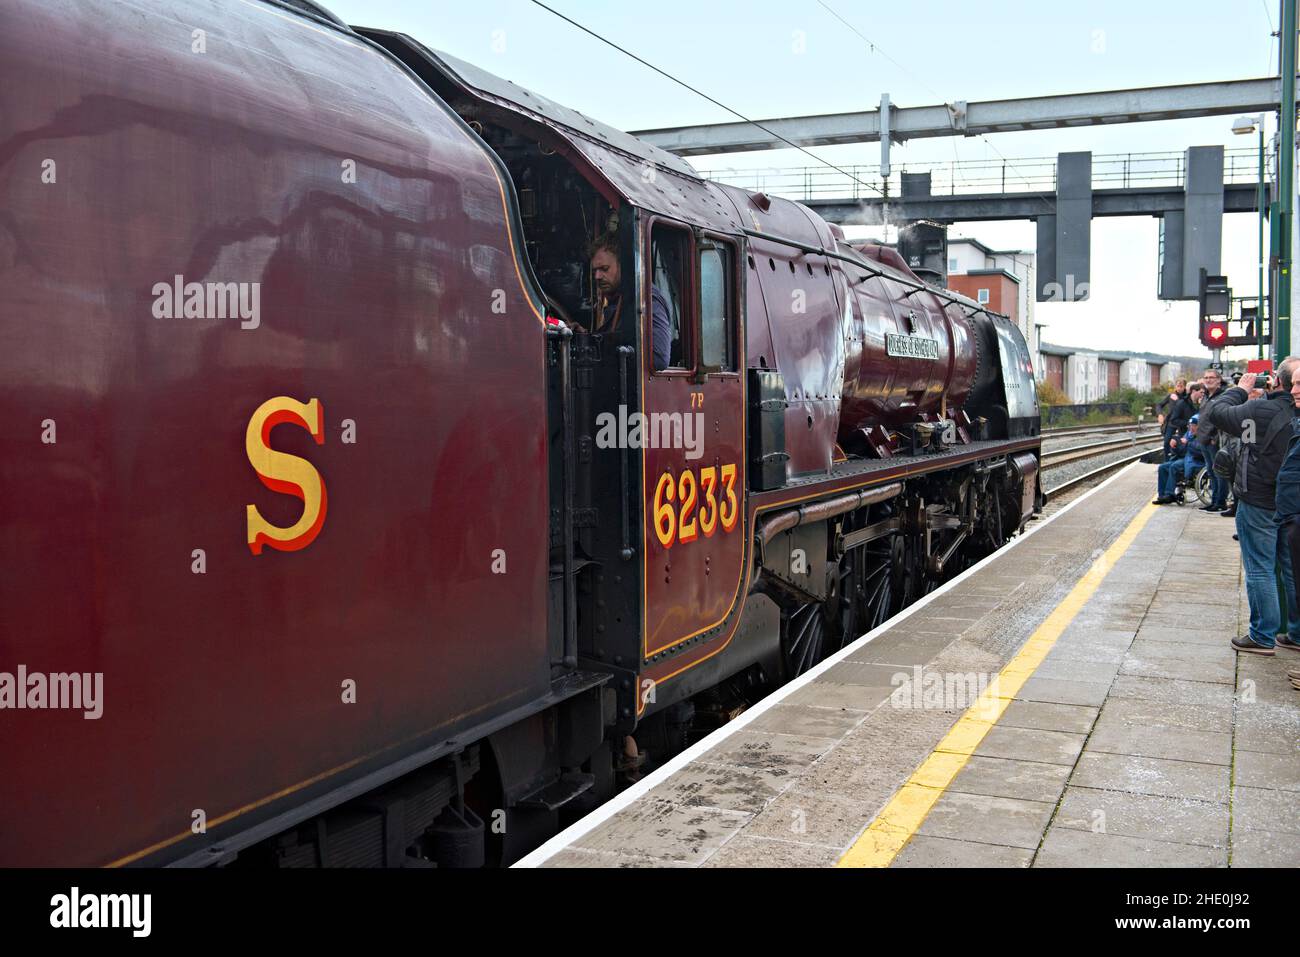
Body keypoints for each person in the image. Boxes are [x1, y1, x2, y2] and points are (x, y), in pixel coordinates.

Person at [1204, 362, 1300, 655]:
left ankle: (1262, 634)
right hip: (1290, 503)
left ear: (1275, 382)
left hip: (1258, 500)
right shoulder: (1293, 413)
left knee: (1260, 568)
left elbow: (1216, 412)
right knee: (1292, 568)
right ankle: (1296, 633)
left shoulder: (1260, 410)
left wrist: (1240, 389)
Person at [585, 235, 672, 372]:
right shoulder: (617, 299)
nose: (597, 276)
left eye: (604, 269)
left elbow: (659, 357)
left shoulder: (646, 299)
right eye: (595, 271)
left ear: (624, 265)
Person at [1197, 368, 1231, 511]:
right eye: (1206, 378)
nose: (1208, 380)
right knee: (1211, 472)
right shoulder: (1205, 396)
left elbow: (1223, 419)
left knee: (1219, 472)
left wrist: (1215, 438)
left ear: (1218, 380)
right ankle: (1214, 500)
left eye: (1211, 377)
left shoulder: (1223, 396)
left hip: (1213, 441)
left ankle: (1220, 502)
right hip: (1203, 440)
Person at [1152, 420, 1194, 505]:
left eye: (1193, 425)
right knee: (1162, 467)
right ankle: (1162, 496)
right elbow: (1181, 450)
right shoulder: (1188, 434)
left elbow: (1197, 450)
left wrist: (1188, 443)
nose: (1191, 427)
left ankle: (1169, 494)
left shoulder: (1200, 436)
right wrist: (1174, 446)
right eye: (1190, 425)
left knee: (1174, 466)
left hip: (1192, 459)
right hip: (1183, 457)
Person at [1157, 379, 1193, 460]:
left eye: (1181, 386)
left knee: (1182, 442)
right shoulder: (1171, 396)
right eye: (1177, 386)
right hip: (1171, 423)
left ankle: (1180, 459)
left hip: (1183, 422)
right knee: (1167, 442)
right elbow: (1159, 405)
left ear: (1184, 387)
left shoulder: (1187, 397)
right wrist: (1160, 414)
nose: (1179, 388)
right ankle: (1166, 460)